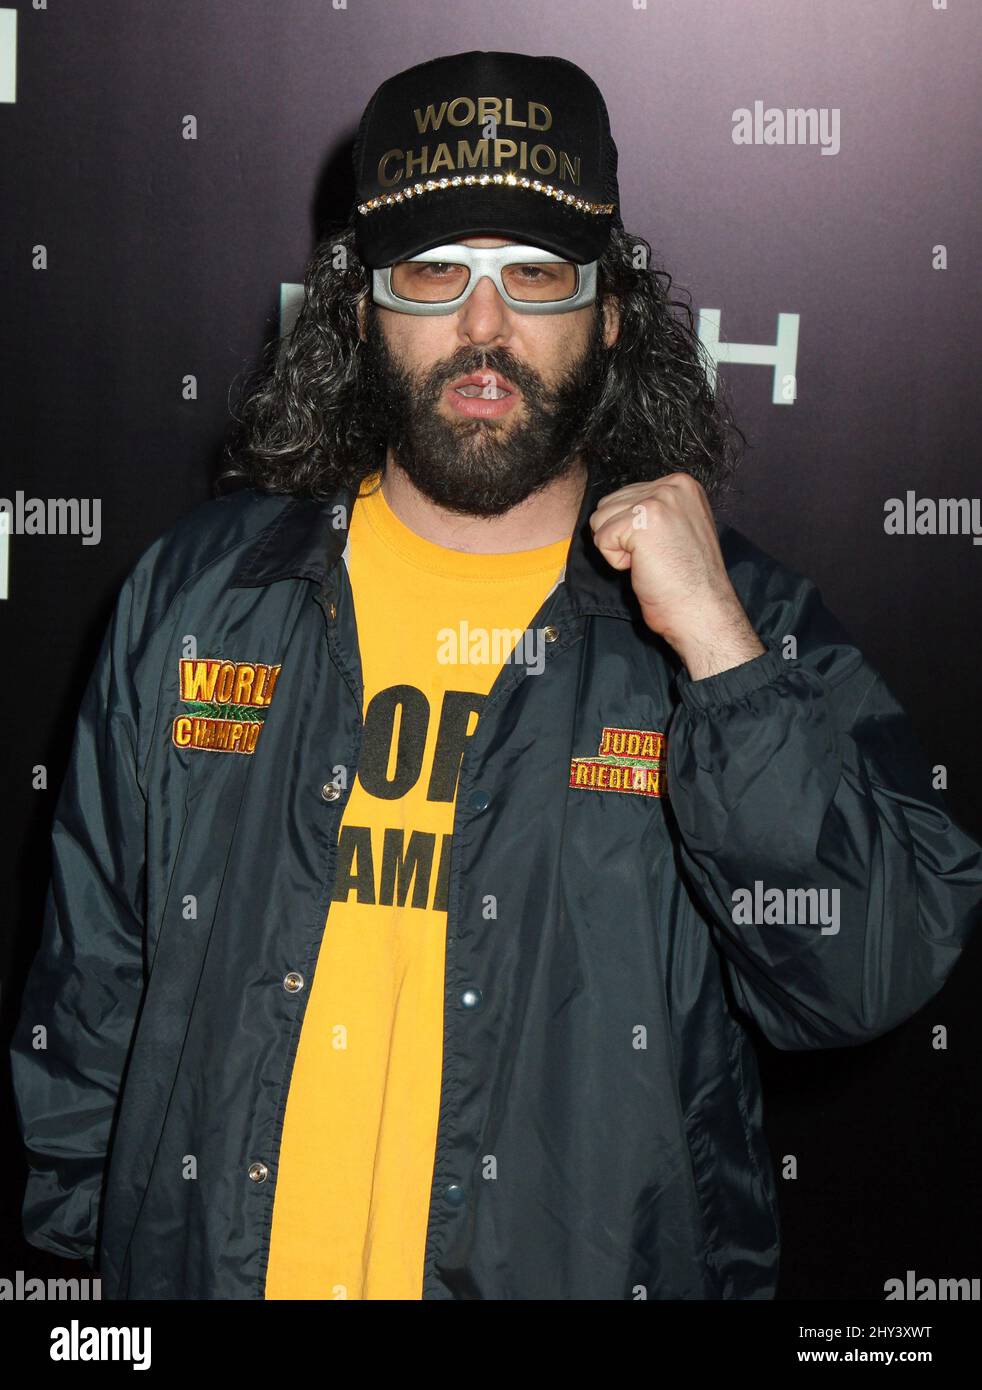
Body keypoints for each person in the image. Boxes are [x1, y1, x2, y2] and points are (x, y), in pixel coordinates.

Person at [10, 49, 981, 1302]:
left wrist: (724, 660)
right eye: (433, 272)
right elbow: (94, 993)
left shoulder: (744, 630)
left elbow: (866, 974)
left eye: (533, 273)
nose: (483, 327)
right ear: (362, 310)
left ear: (610, 311)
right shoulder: (199, 596)